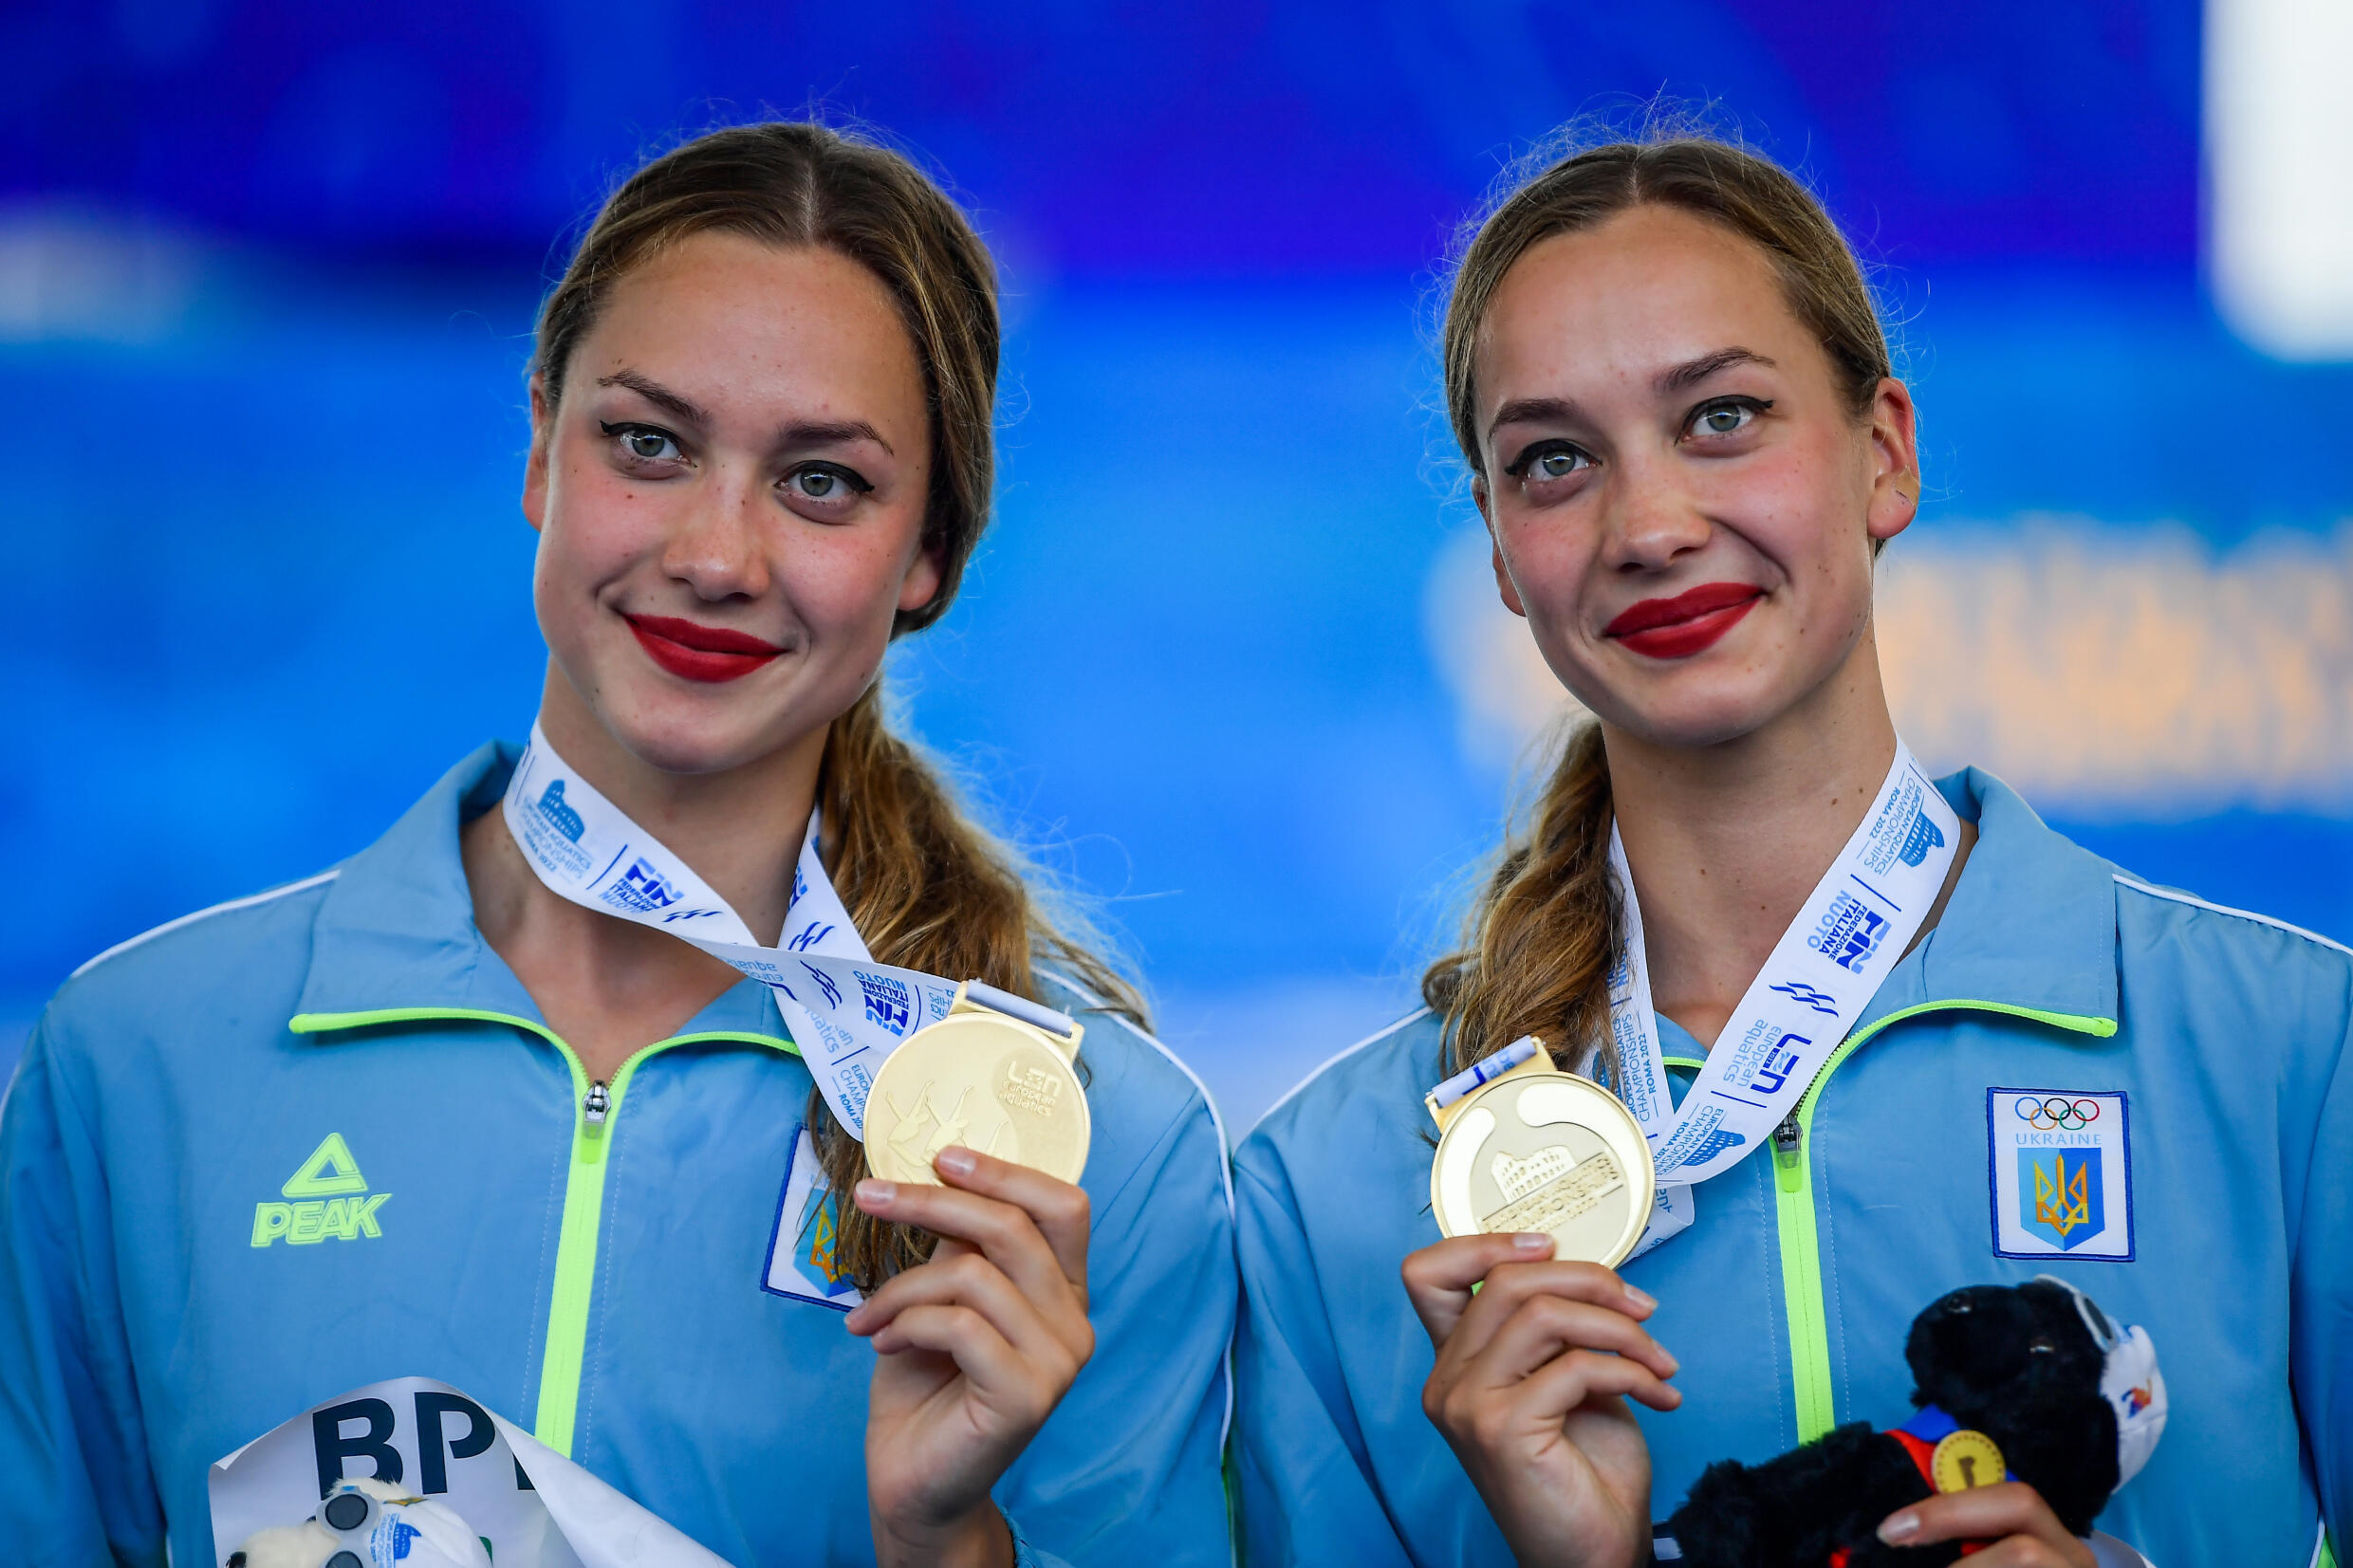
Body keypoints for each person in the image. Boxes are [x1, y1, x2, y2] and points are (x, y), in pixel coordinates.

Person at [0, 121, 1234, 1568]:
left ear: (929, 557)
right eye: (647, 443)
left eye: (822, 480)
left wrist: (945, 1537)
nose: (717, 554)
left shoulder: (1097, 1152)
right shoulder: (139, 1066)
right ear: (539, 451)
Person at [1232, 130, 2352, 1568]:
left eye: (1722, 418)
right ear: (1505, 555)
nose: (1647, 524)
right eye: (1556, 460)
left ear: (1884, 453)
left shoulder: (2282, 1054)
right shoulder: (1331, 1192)